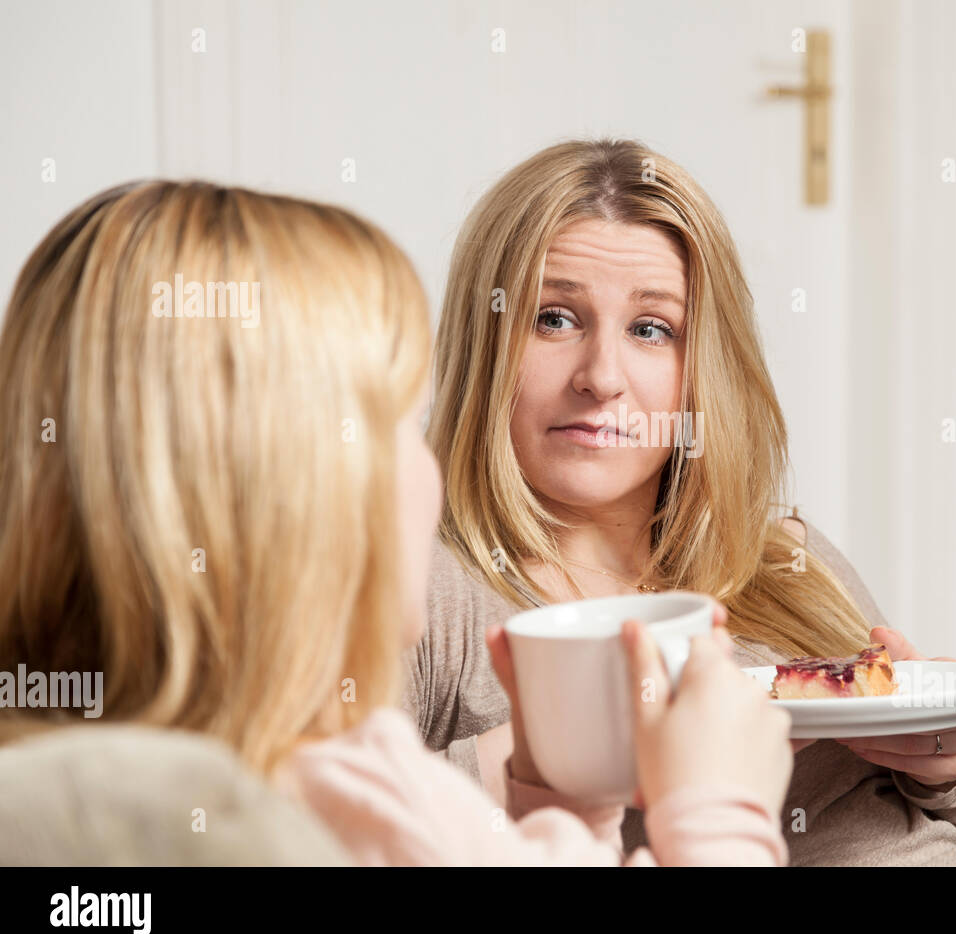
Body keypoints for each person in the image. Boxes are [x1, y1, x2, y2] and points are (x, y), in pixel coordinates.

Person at [0, 180, 792, 866]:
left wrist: (557, 794)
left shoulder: (353, 775)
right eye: (391, 421)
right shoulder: (332, 816)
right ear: (286, 497)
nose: (429, 460)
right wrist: (717, 814)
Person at [408, 138, 956, 865]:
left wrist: (955, 767)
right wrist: (568, 748)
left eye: (651, 329)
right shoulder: (426, 586)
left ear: (702, 370)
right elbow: (323, 836)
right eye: (554, 318)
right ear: (485, 338)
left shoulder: (782, 557)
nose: (601, 377)